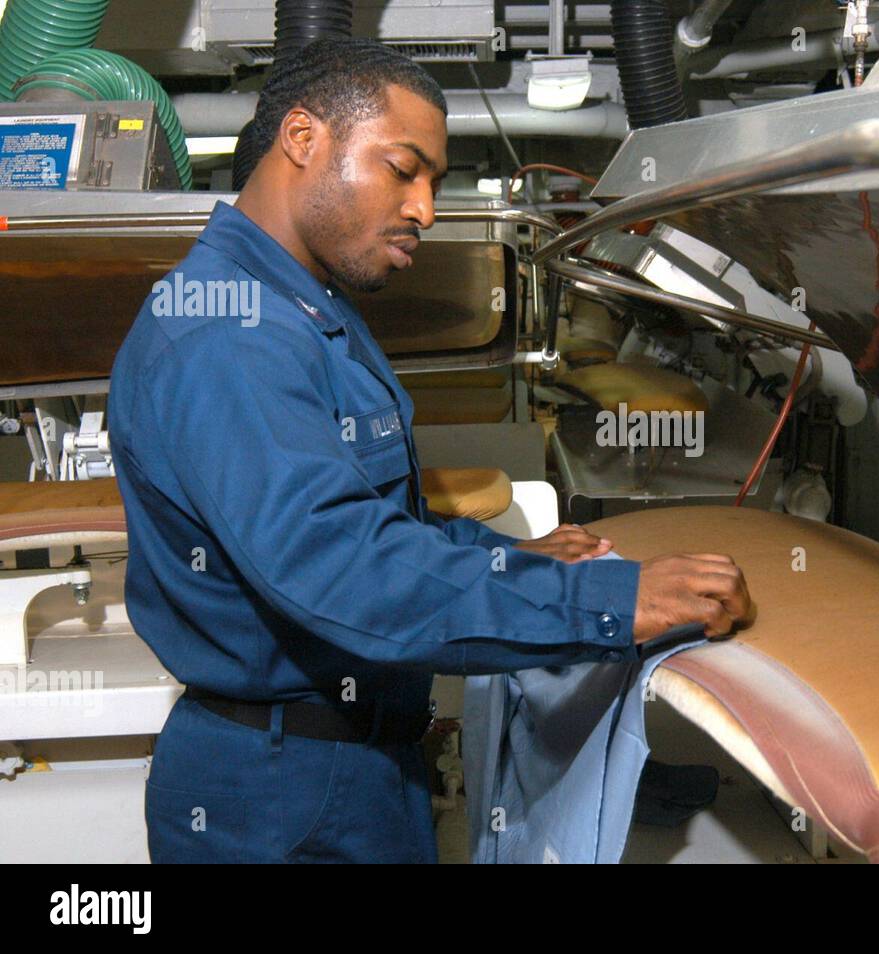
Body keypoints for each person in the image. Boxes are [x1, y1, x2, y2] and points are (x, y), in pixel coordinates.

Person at [108, 37, 753, 863]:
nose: (424, 209)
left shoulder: (305, 315)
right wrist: (606, 603)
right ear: (303, 140)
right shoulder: (229, 335)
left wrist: (514, 561)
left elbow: (382, 524)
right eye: (403, 169)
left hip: (352, 765)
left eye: (435, 183)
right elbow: (342, 568)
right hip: (281, 795)